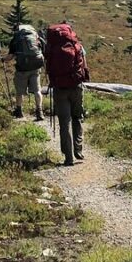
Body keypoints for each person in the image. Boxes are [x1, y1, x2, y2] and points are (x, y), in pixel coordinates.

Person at [44, 22, 90, 165]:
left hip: (59, 88)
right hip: (76, 86)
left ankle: (68, 157)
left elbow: (47, 66)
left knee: (64, 122)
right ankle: (78, 150)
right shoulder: (77, 45)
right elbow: (84, 65)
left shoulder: (51, 47)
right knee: (77, 117)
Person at [9, 23, 46, 121]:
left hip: (22, 68)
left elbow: (10, 56)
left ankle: (19, 111)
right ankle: (39, 112)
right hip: (35, 67)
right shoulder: (35, 36)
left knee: (20, 91)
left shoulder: (16, 39)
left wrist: (3, 59)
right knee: (37, 91)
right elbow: (43, 50)